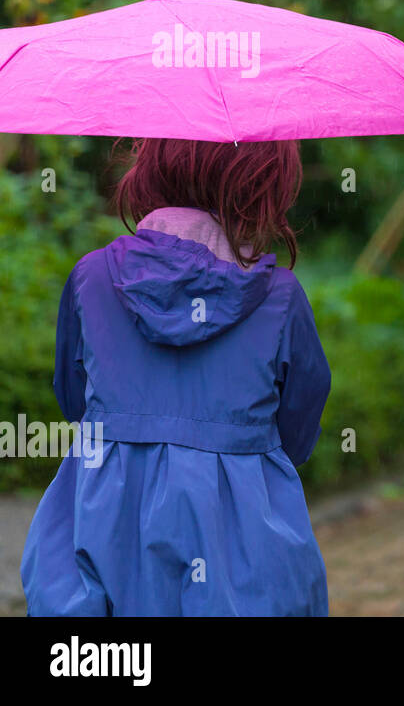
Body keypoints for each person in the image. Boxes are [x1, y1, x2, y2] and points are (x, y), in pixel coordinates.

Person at [22, 138, 330, 616]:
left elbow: (74, 399)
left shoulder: (93, 278)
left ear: (152, 170)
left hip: (105, 531)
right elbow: (299, 432)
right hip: (242, 547)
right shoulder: (279, 298)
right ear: (262, 185)